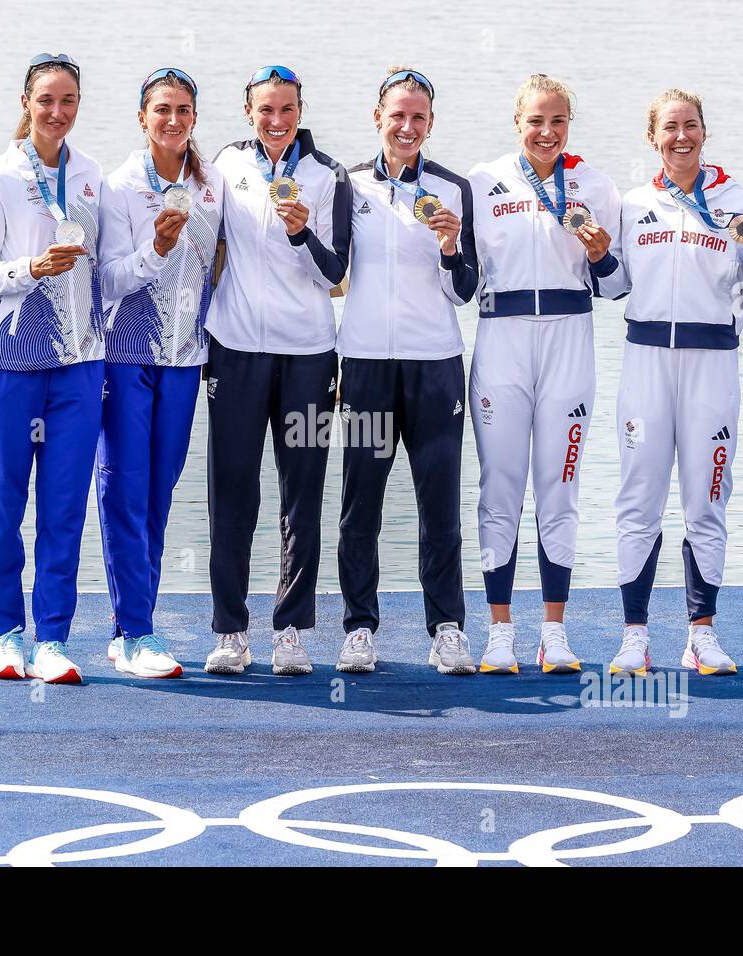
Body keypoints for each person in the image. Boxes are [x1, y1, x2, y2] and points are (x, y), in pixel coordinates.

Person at [598, 88, 743, 676]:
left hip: (712, 365)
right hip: (647, 361)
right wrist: (601, 255)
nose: (682, 137)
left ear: (705, 132)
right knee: (639, 498)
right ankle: (634, 637)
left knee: (707, 498)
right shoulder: (633, 204)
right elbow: (612, 287)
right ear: (652, 139)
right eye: (670, 128)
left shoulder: (738, 202)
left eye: (692, 126)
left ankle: (701, 634)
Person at [467, 74, 623, 675]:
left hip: (568, 340)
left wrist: (601, 253)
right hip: (502, 340)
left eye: (558, 121)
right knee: (500, 491)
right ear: (517, 122)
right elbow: (456, 273)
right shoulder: (482, 183)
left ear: (569, 125)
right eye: (536, 120)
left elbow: (617, 284)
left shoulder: (595, 185)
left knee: (560, 492)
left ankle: (554, 632)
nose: (547, 132)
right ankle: (499, 630)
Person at [202, 65, 351, 677]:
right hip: (234, 350)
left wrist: (301, 234)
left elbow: (337, 272)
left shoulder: (329, 176)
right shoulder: (223, 166)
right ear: (248, 111)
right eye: (265, 110)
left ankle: (289, 629)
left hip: (309, 353)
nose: (277, 121)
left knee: (302, 494)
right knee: (231, 491)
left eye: (287, 109)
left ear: (301, 109)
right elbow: (207, 250)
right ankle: (231, 630)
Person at [0, 53, 104, 685]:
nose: (57, 112)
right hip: (9, 361)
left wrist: (160, 249)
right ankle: (5, 634)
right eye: (46, 100)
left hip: (77, 360)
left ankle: (51, 637)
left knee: (65, 507)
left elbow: (104, 271)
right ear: (26, 103)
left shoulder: (92, 177)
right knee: (3, 503)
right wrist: (29, 271)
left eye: (68, 100)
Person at [337, 67, 480, 675]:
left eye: (418, 117)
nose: (406, 125)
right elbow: (327, 270)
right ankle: (358, 629)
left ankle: (446, 628)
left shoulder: (453, 189)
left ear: (430, 125)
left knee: (439, 504)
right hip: (366, 365)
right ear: (377, 117)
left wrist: (451, 247)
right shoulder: (345, 185)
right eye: (397, 114)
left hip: (435, 368)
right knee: (359, 504)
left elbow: (467, 289)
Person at [96, 68, 224, 678]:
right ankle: (140, 630)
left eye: (183, 111)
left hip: (184, 359)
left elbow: (223, 263)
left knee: (160, 491)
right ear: (142, 117)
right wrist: (157, 252)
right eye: (161, 110)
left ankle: (127, 628)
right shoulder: (118, 187)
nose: (173, 121)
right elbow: (108, 280)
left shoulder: (211, 185)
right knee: (125, 487)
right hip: (126, 355)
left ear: (195, 118)